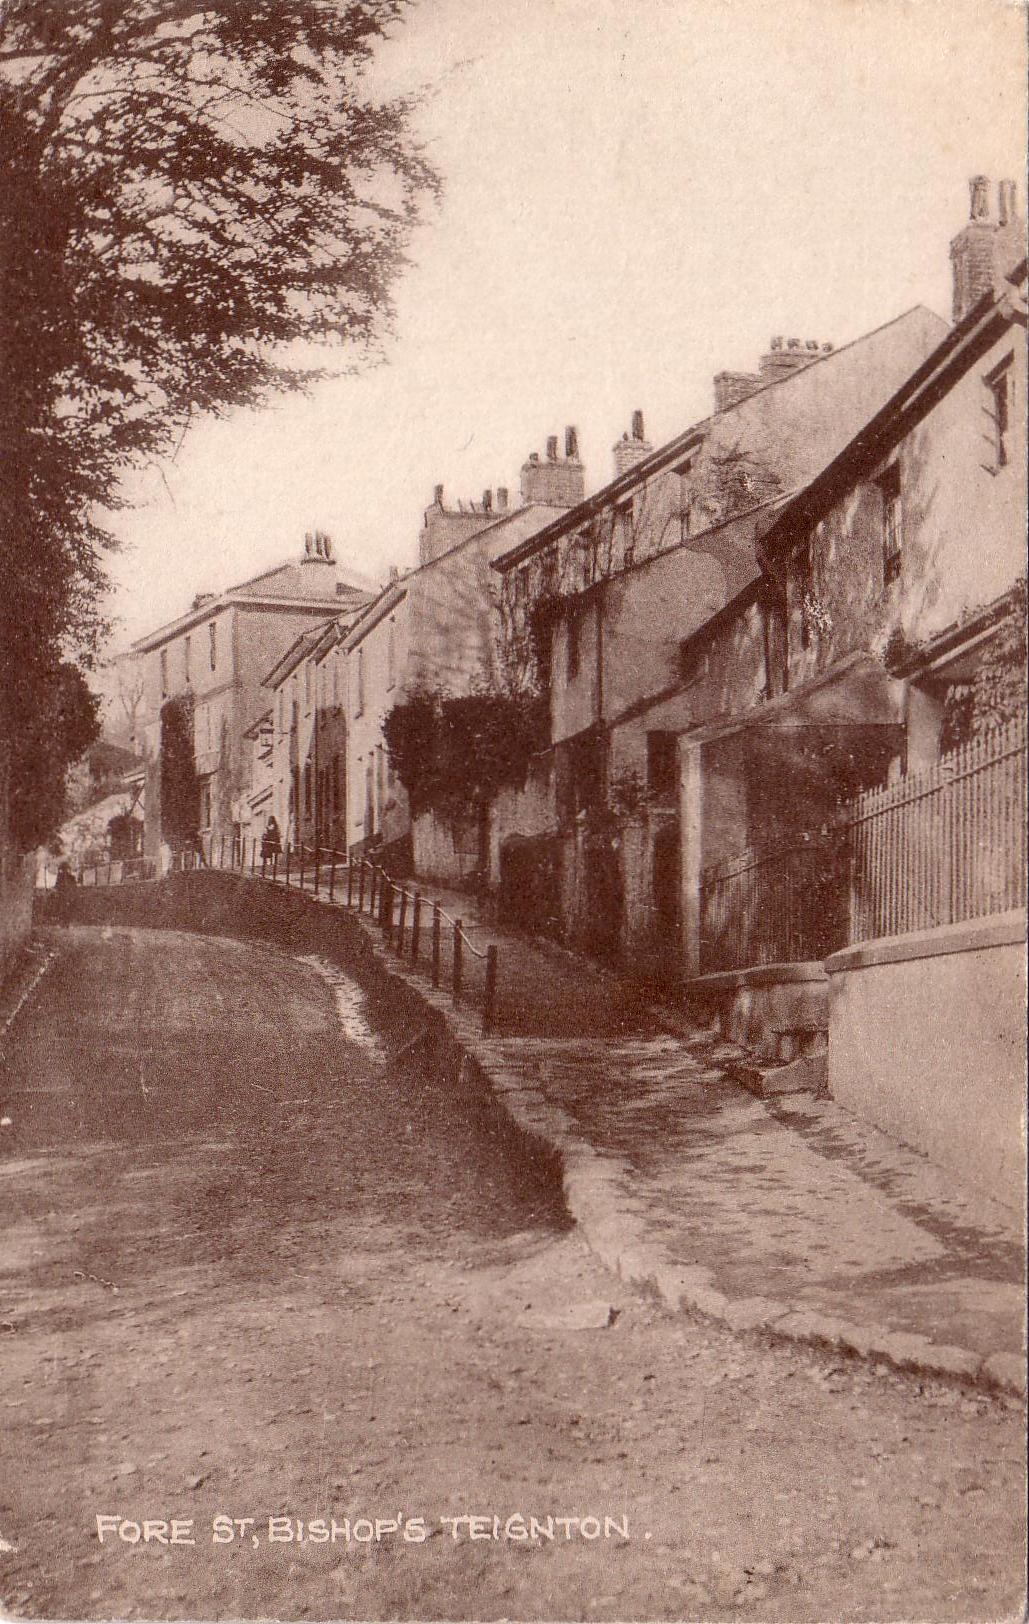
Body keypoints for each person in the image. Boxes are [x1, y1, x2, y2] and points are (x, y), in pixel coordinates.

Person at [53, 861, 77, 926]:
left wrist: (71, 895)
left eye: (65, 869)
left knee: (67, 909)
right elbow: (57, 886)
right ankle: (63, 923)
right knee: (62, 909)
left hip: (68, 895)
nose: (64, 871)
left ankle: (66, 923)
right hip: (62, 896)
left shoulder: (71, 877)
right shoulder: (60, 877)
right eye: (63, 870)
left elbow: (74, 887)